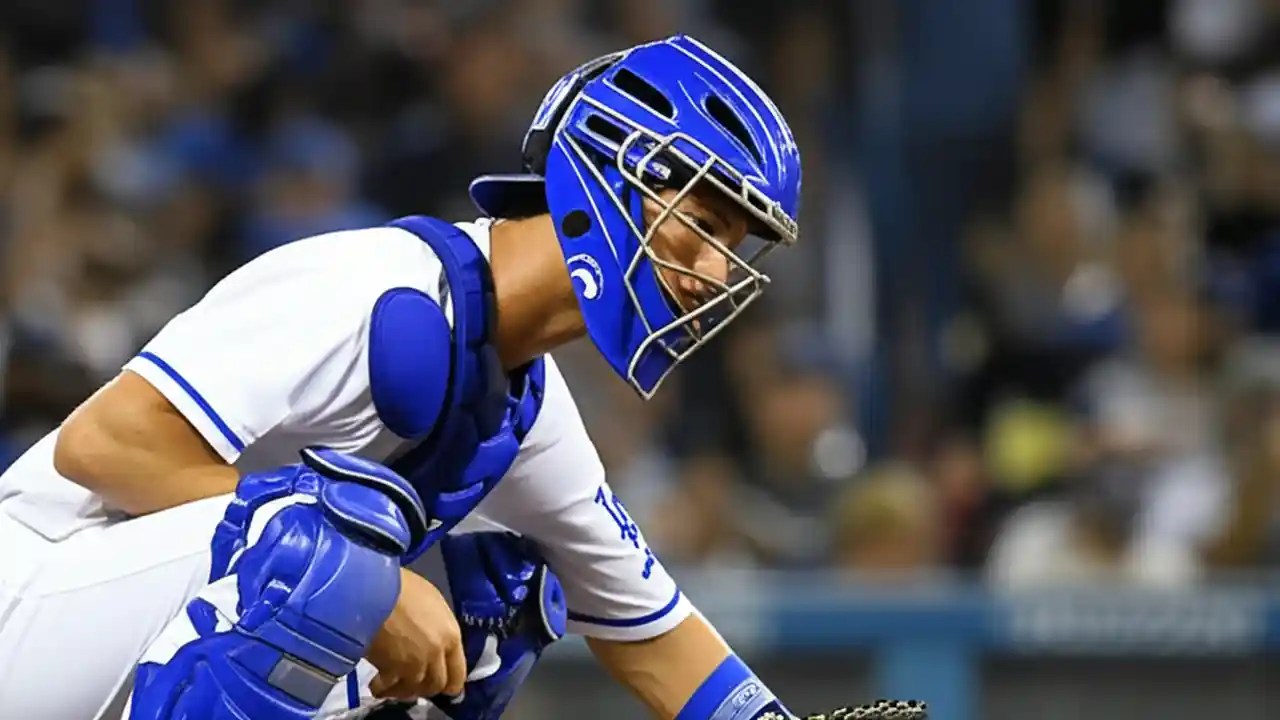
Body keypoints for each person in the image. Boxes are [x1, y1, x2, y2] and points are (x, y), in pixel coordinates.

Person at [0, 35, 911, 720]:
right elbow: (102, 446)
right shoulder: (373, 283)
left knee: (494, 615)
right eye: (703, 221)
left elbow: (655, 635)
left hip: (121, 649)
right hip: (33, 595)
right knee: (331, 567)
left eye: (735, 247)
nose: (714, 270)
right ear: (610, 166)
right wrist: (378, 583)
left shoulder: (525, 405)